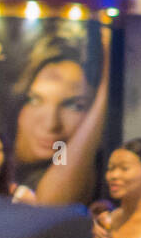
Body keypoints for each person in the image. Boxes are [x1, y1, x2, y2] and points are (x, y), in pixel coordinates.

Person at [7, 26, 111, 205]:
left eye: (74, 105)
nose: (51, 124)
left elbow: (51, 202)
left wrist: (106, 92)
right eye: (35, 100)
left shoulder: (63, 155)